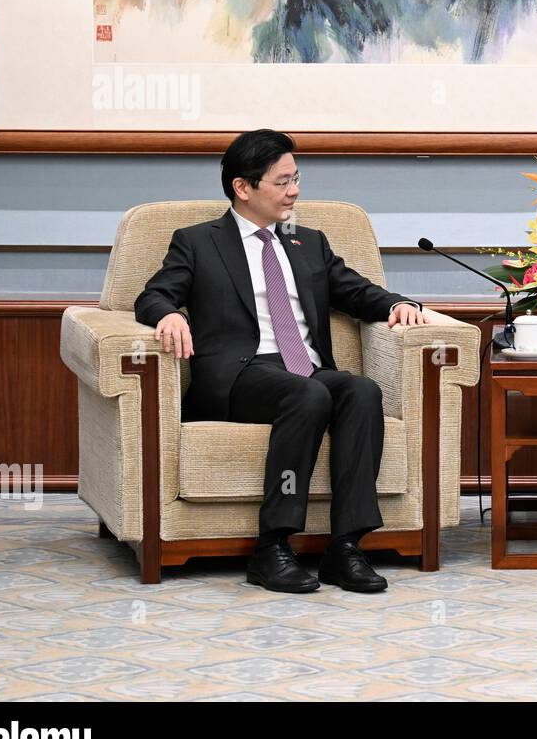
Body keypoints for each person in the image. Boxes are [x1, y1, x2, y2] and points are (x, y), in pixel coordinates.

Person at [134, 129, 427, 594]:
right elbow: (153, 294)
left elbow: (355, 290)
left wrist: (397, 304)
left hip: (304, 368)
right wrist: (168, 313)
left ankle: (345, 548)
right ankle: (272, 547)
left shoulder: (307, 241)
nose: (294, 191)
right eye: (282, 181)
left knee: (360, 390)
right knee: (307, 393)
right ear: (243, 187)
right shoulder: (197, 242)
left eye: (297, 179)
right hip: (239, 375)